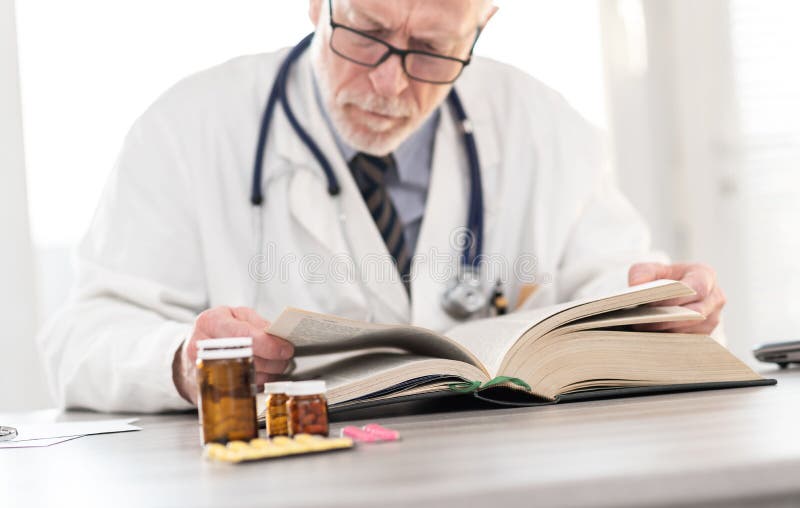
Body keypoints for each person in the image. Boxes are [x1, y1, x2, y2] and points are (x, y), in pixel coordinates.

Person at [37, 0, 726, 413]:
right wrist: (185, 363)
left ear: (481, 26)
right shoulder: (189, 128)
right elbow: (80, 339)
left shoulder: (544, 129)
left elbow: (610, 290)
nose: (390, 82)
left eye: (431, 50)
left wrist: (658, 311)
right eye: (365, 33)